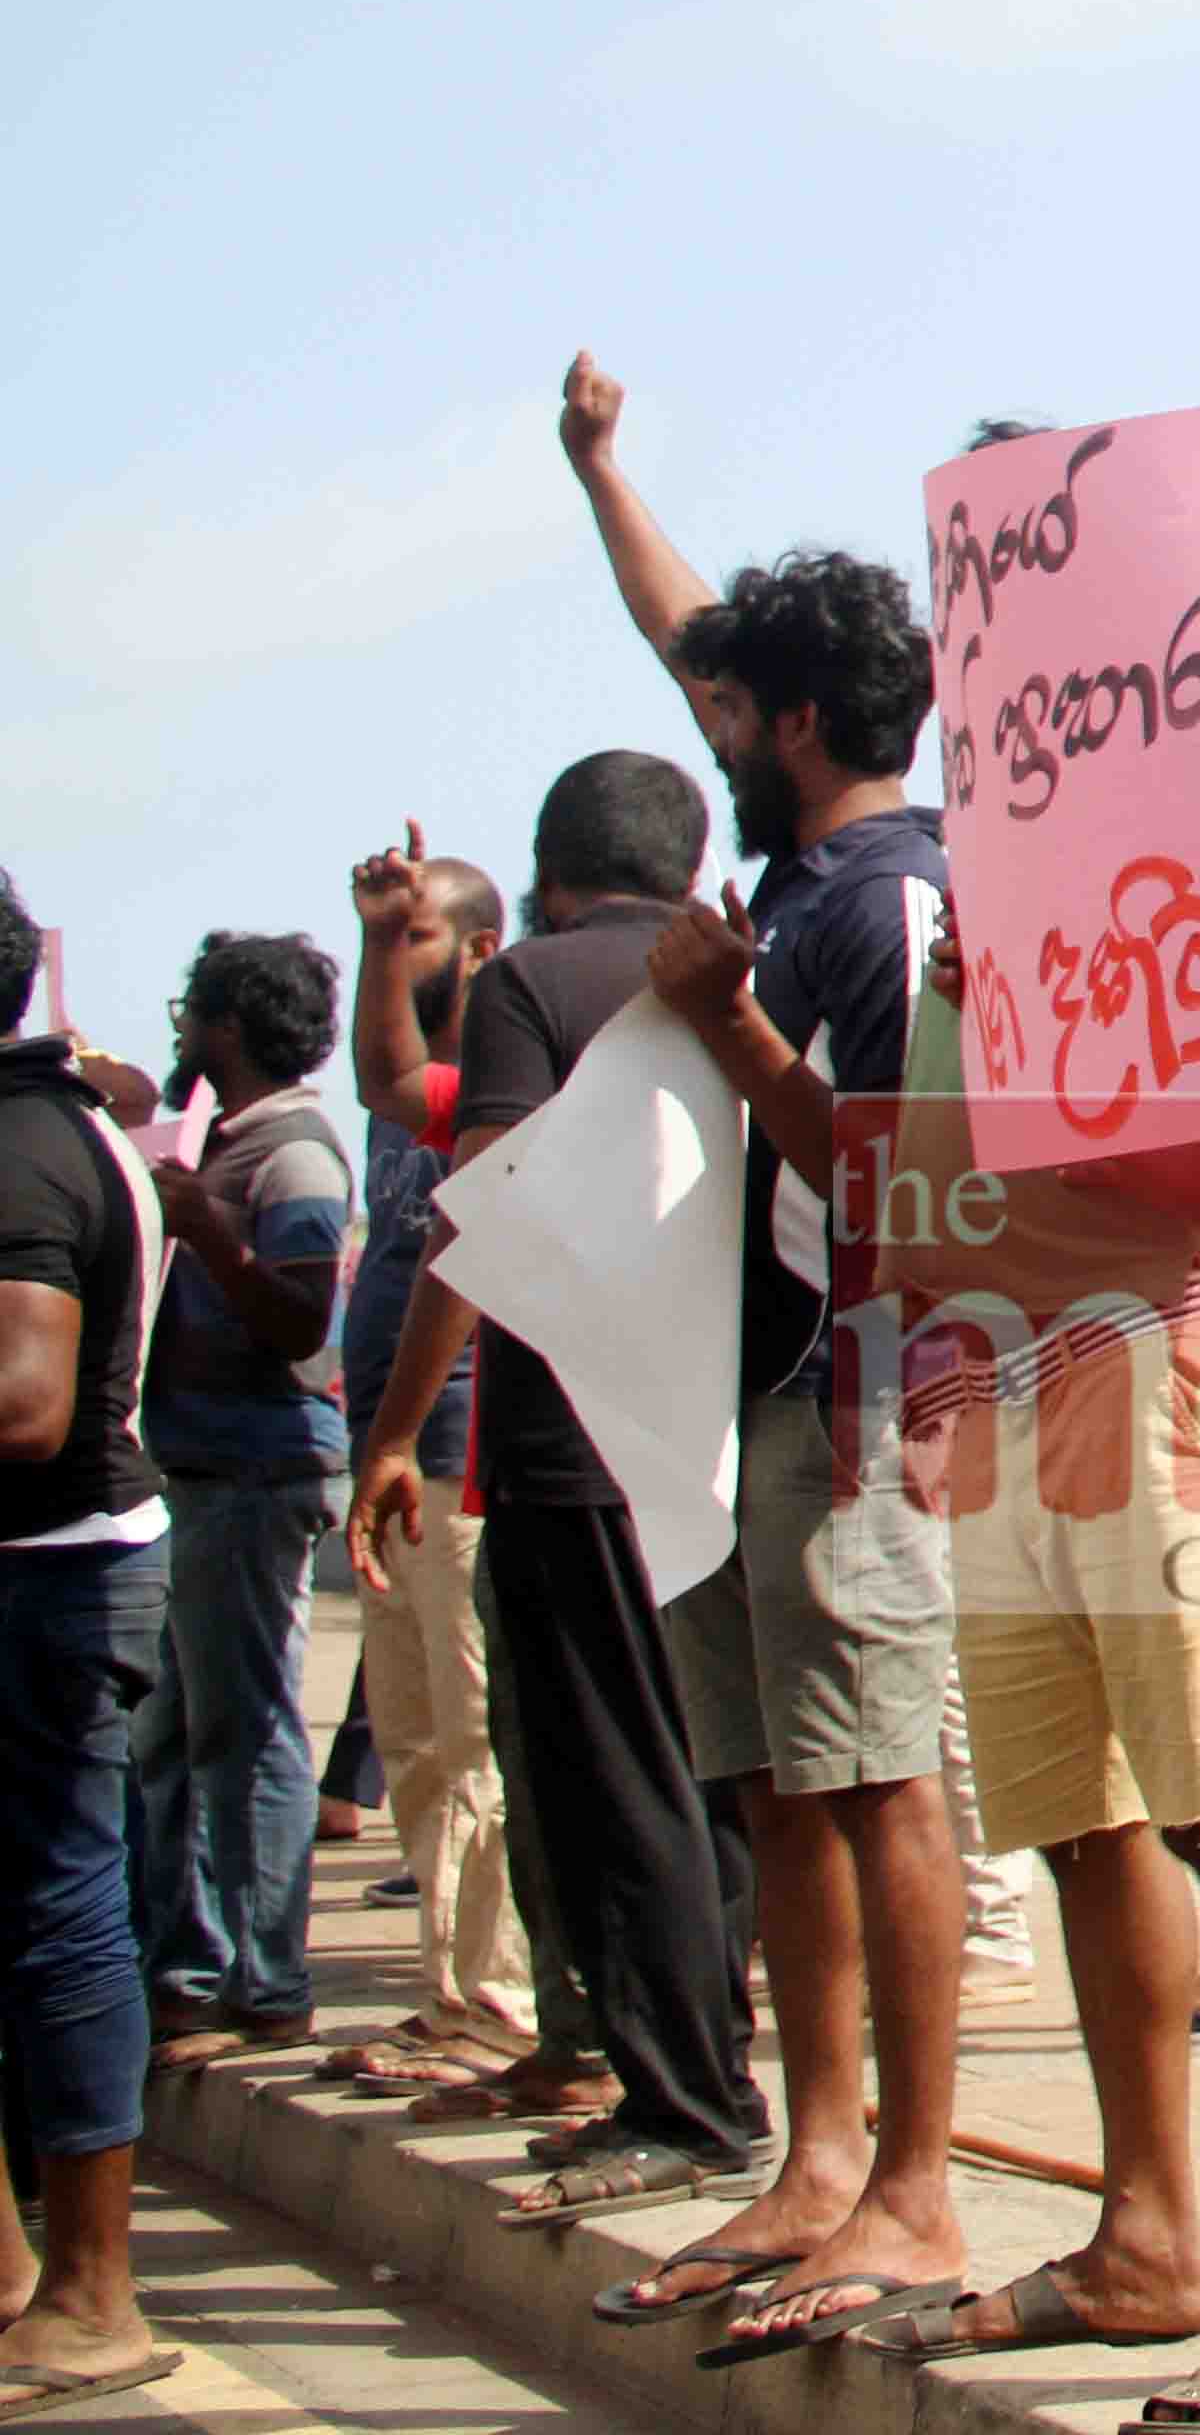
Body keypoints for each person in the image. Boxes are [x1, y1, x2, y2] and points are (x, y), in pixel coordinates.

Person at [557, 354, 972, 2358]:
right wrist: (599, 468)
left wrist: (729, 1031)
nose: (708, 720)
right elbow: (678, 625)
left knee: (878, 1776)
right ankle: (817, 2158)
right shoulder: (801, 883)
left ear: (798, 727)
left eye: (736, 706)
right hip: (737, 1412)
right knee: (777, 1788)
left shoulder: (889, 906)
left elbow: (898, 1181)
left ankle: (913, 2179)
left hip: (845, 1404)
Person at [854, 890, 1200, 2424]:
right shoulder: (982, 866)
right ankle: (1149, 2235)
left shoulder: (1152, 837)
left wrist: (1060, 1002)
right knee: (1080, 1825)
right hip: (996, 1379)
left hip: (1144, 1343)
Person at [351, 752, 768, 2230]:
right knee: (699, 1768)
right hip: (713, 1435)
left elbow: (488, 1212)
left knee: (612, 1774)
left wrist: (399, 1430)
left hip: (575, 1436)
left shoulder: (534, 981)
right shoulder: (725, 971)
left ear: (547, 864)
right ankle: (709, 2067)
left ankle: (686, 2099)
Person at [0, 866, 186, 2414]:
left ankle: (91, 2292)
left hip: (44, 1573)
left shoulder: (14, 1152)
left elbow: (24, 1402)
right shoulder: (60, 1127)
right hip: (58, 1567)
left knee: (64, 1913)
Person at [123, 929, 356, 2070]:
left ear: (226, 1027)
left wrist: (206, 1231)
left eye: (194, 1015)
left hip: (255, 1476)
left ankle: (269, 1976)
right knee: (170, 1730)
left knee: (248, 1727)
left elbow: (302, 1323)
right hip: (201, 1472)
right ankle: (190, 1965)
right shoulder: (225, 1140)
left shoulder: (295, 1155)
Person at [325, 828, 534, 2088]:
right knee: (410, 1734)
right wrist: (371, 937)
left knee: (474, 1740)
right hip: (388, 1454)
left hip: (461, 1449)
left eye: (417, 941)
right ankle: (445, 1991)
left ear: (482, 950)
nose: (398, 967)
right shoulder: (400, 1106)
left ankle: (493, 2005)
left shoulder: (499, 1089)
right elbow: (376, 1076)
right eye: (383, 944)